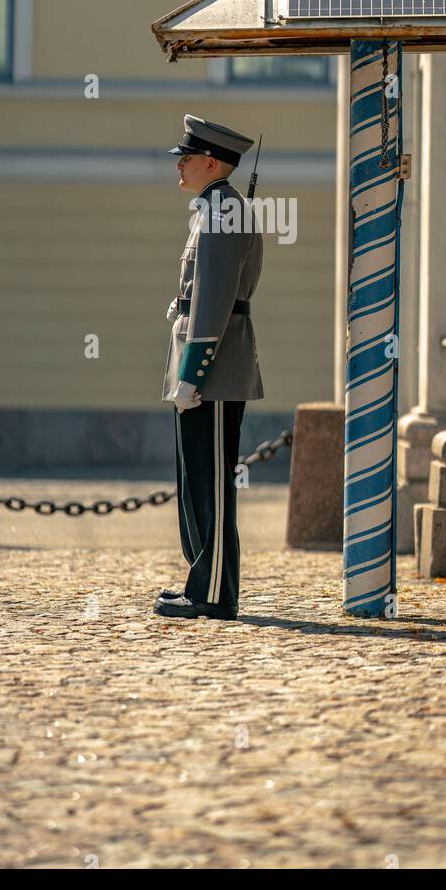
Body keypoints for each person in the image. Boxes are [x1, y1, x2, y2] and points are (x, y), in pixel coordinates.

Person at [155, 115, 264, 621]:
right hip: (203, 366)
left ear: (212, 162)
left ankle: (216, 591)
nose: (180, 163)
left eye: (187, 156)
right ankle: (202, 578)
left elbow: (214, 301)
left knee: (212, 484)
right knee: (196, 481)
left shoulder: (223, 211)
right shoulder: (212, 210)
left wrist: (192, 373)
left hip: (214, 371)